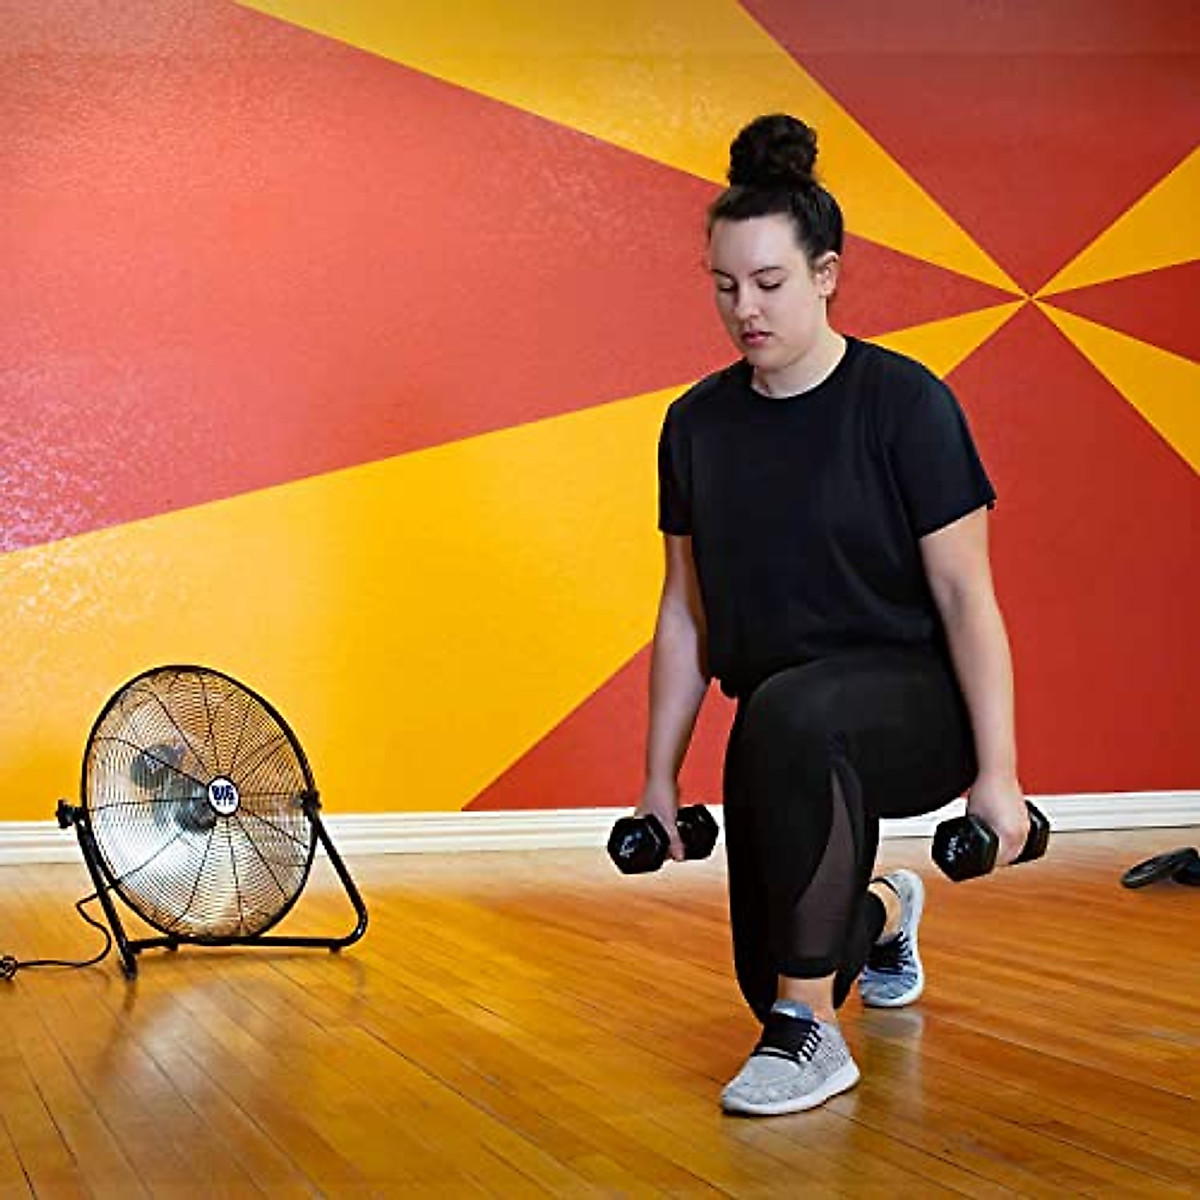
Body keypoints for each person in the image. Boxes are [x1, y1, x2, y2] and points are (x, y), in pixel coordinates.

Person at [636, 113, 1028, 1118]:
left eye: (769, 283)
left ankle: (809, 1034)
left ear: (826, 275)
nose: (745, 310)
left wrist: (998, 776)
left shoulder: (905, 405)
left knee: (798, 720)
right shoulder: (696, 425)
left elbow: (967, 598)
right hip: (783, 726)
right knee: (766, 964)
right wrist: (657, 781)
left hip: (914, 707)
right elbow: (685, 611)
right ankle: (885, 912)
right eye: (725, 286)